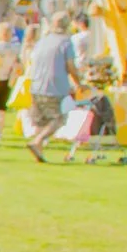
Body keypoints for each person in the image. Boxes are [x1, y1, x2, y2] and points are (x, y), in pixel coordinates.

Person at [23, 15, 83, 163]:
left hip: (36, 84)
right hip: (54, 85)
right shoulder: (66, 42)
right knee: (59, 118)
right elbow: (70, 67)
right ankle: (38, 141)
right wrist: (79, 83)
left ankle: (39, 151)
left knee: (40, 120)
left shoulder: (43, 41)